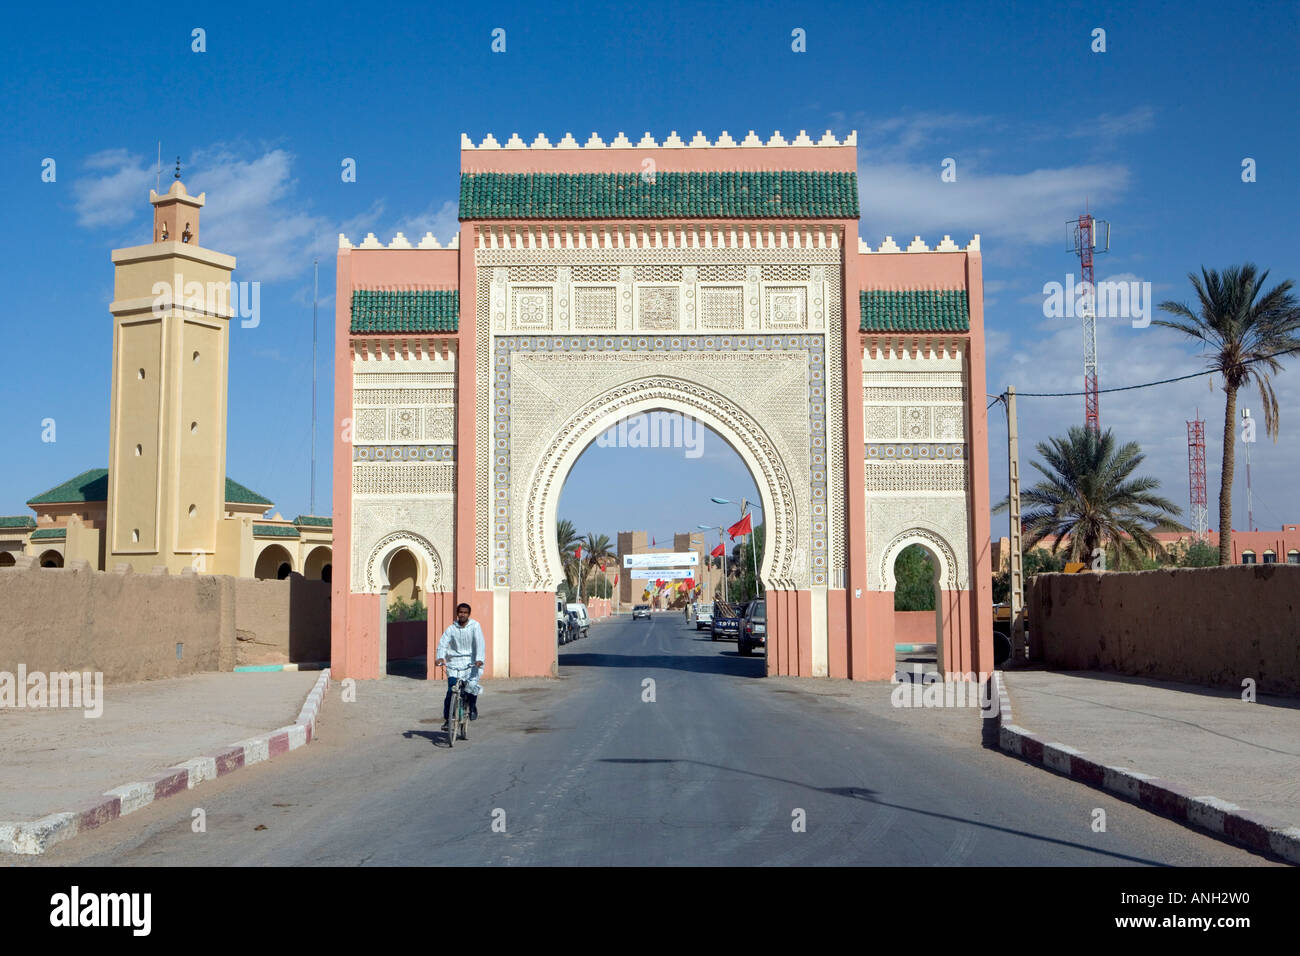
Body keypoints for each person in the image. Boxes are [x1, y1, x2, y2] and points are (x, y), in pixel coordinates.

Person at [435, 602, 486, 731]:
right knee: (451, 691)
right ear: (457, 613)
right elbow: (442, 644)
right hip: (454, 663)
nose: (462, 614)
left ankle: (472, 706)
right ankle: (448, 719)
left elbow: (480, 643)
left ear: (469, 614)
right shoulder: (451, 629)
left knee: (471, 688)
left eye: (465, 612)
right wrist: (440, 657)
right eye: (460, 612)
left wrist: (479, 659)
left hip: (471, 662)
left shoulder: (475, 626)